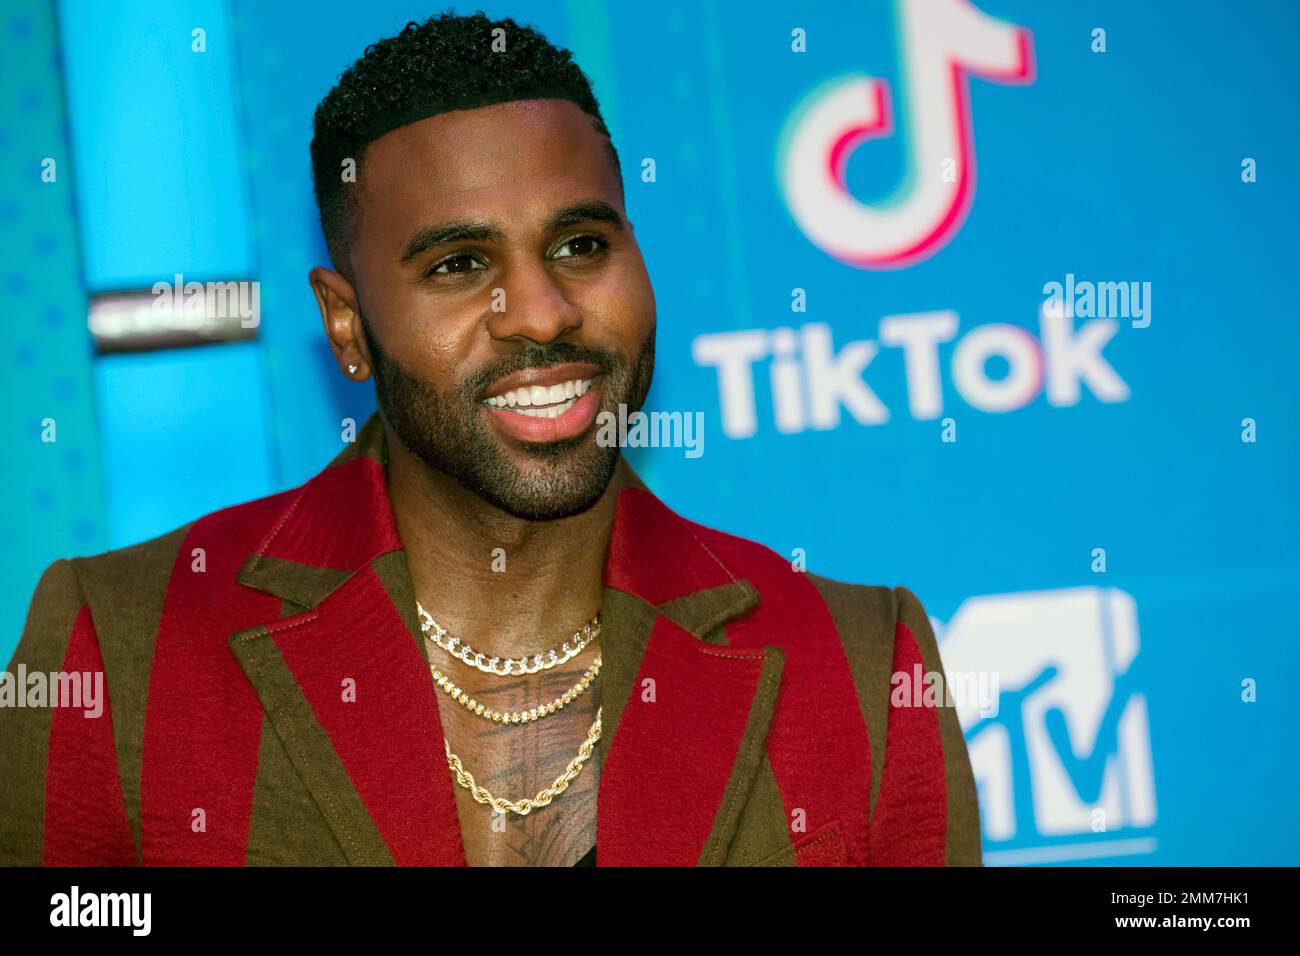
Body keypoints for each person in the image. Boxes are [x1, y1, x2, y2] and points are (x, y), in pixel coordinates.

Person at [0, 10, 979, 867]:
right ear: (347, 324)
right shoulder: (123, 647)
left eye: (580, 245)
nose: (541, 313)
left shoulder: (855, 661)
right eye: (461, 263)